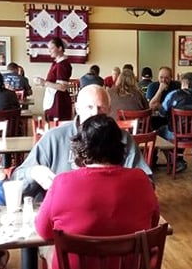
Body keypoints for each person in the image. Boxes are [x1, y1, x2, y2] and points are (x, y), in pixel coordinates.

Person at [35, 114, 160, 269]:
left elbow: (43, 231)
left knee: (49, 250)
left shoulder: (62, 182)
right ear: (121, 148)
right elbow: (152, 224)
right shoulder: (140, 180)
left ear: (80, 149)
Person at [13, 83, 151, 199]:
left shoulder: (123, 139)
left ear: (109, 110)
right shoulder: (54, 138)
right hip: (60, 219)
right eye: (89, 107)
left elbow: (148, 183)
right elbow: (16, 180)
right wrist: (33, 172)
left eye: (101, 108)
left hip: (110, 217)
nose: (95, 114)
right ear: (77, 108)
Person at [159, 72, 192, 172]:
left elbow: (162, 113)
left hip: (176, 134)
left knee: (159, 131)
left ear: (183, 82)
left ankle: (176, 160)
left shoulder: (174, 95)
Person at [35, 37, 72, 122]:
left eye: (51, 48)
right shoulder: (57, 63)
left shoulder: (62, 65)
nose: (49, 51)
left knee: (56, 125)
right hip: (55, 98)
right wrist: (43, 83)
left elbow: (63, 87)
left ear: (60, 48)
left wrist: (44, 82)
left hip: (58, 101)